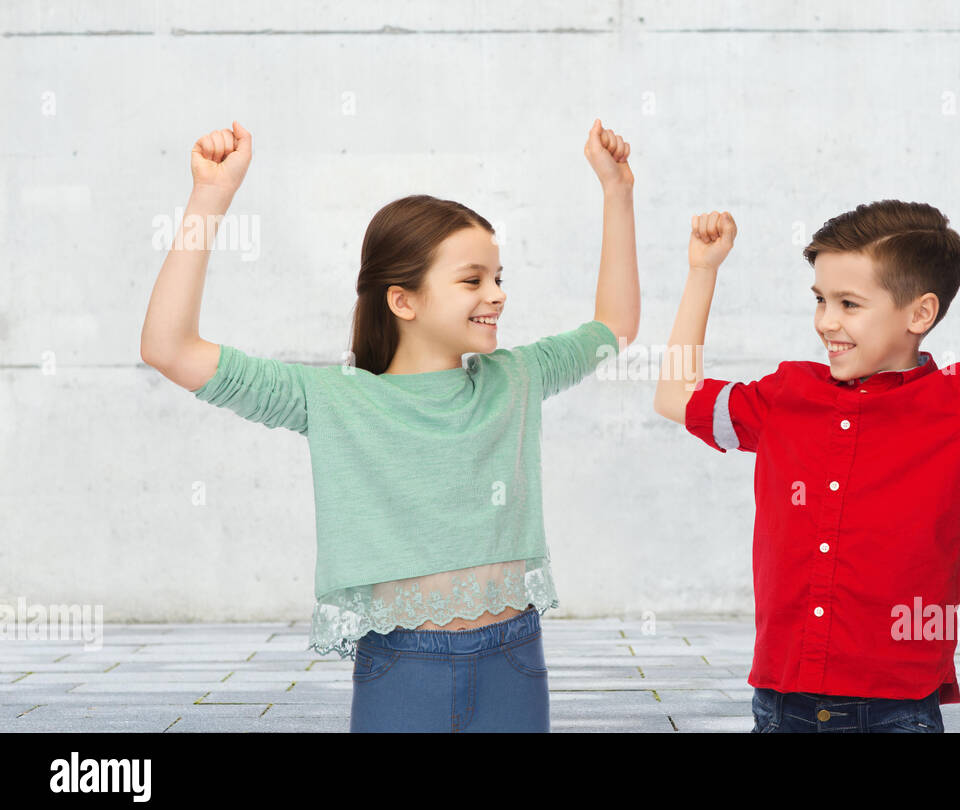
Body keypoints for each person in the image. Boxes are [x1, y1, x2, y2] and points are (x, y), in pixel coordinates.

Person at [140, 117, 639, 732]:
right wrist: (209, 198)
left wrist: (618, 194)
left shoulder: (517, 377)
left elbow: (614, 328)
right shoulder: (331, 399)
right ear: (402, 300)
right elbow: (169, 348)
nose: (497, 294)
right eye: (472, 280)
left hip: (515, 659)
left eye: (498, 278)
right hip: (401, 668)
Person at [654, 126, 960, 733]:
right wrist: (702, 273)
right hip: (779, 701)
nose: (826, 321)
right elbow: (673, 394)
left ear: (920, 313)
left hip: (896, 710)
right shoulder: (786, 396)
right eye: (820, 299)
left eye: (849, 304)